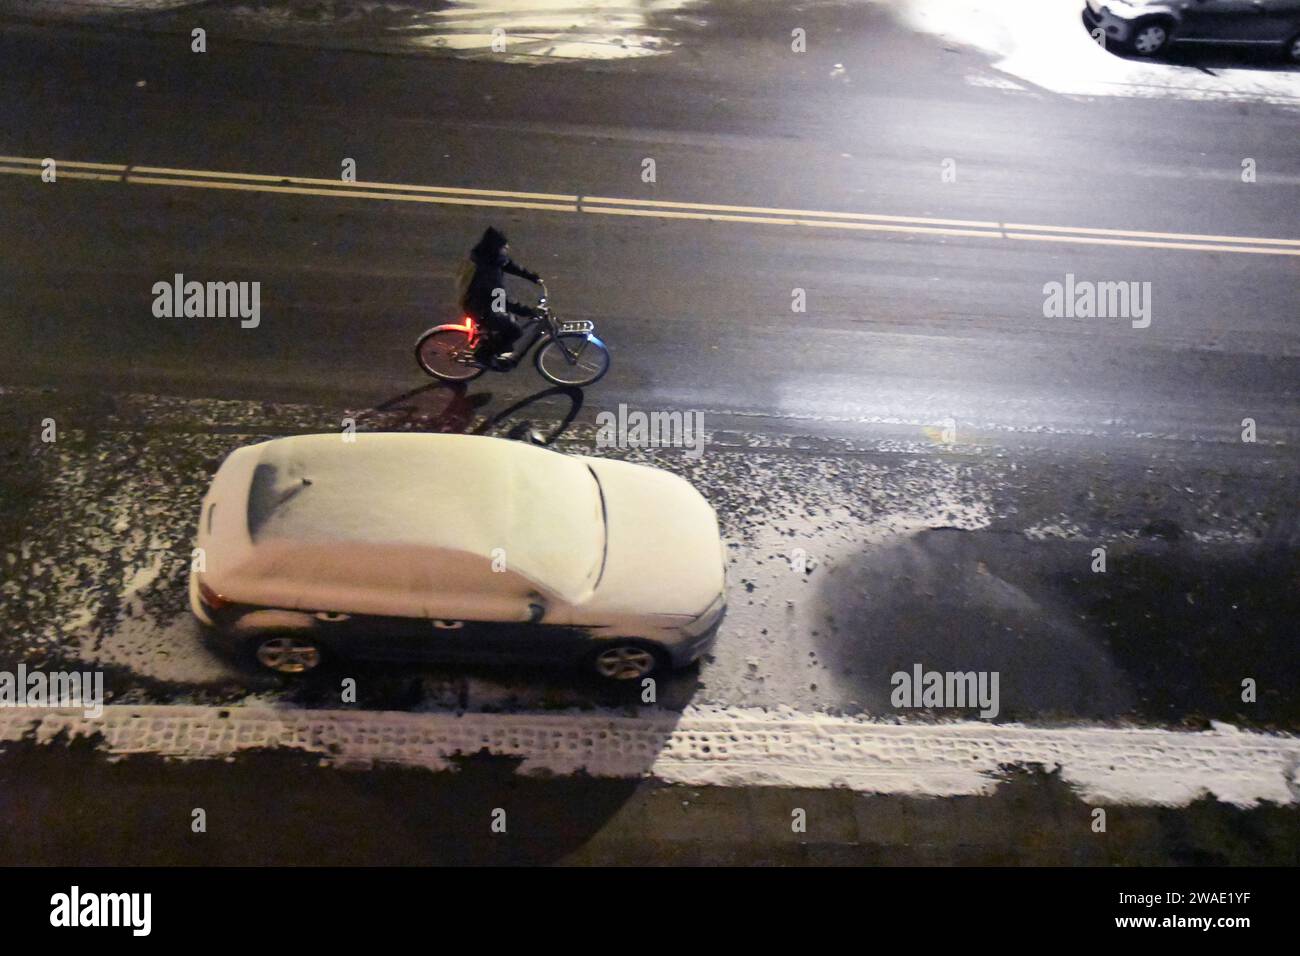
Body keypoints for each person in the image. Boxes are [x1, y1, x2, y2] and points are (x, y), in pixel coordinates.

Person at [457, 226, 543, 363]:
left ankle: (499, 346)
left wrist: (532, 277)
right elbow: (501, 300)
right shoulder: (487, 273)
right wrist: (527, 311)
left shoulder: (488, 257)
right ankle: (483, 356)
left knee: (510, 322)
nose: (507, 247)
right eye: (504, 246)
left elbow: (508, 265)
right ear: (495, 248)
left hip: (482, 301)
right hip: (480, 308)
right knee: (515, 331)